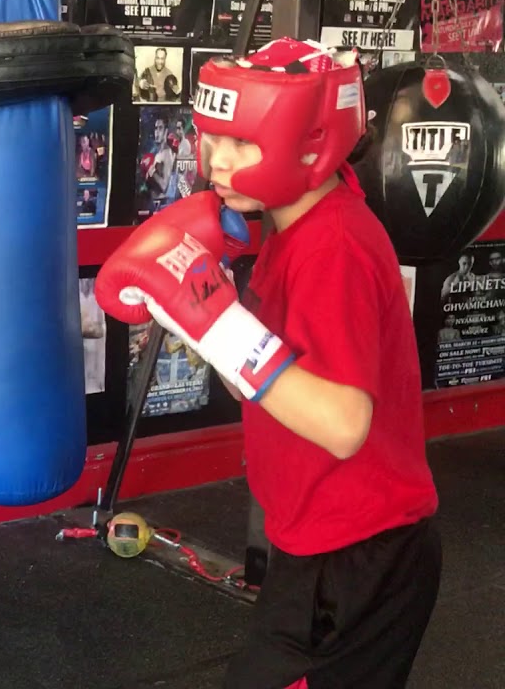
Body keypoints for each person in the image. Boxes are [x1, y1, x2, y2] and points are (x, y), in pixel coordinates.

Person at [96, 38, 441, 689]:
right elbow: (262, 380)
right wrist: (191, 314)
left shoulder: (331, 248)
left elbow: (343, 422)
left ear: (310, 143)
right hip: (319, 540)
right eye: (214, 139)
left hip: (360, 553)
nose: (217, 162)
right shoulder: (291, 227)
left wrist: (216, 320)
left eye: (243, 144)